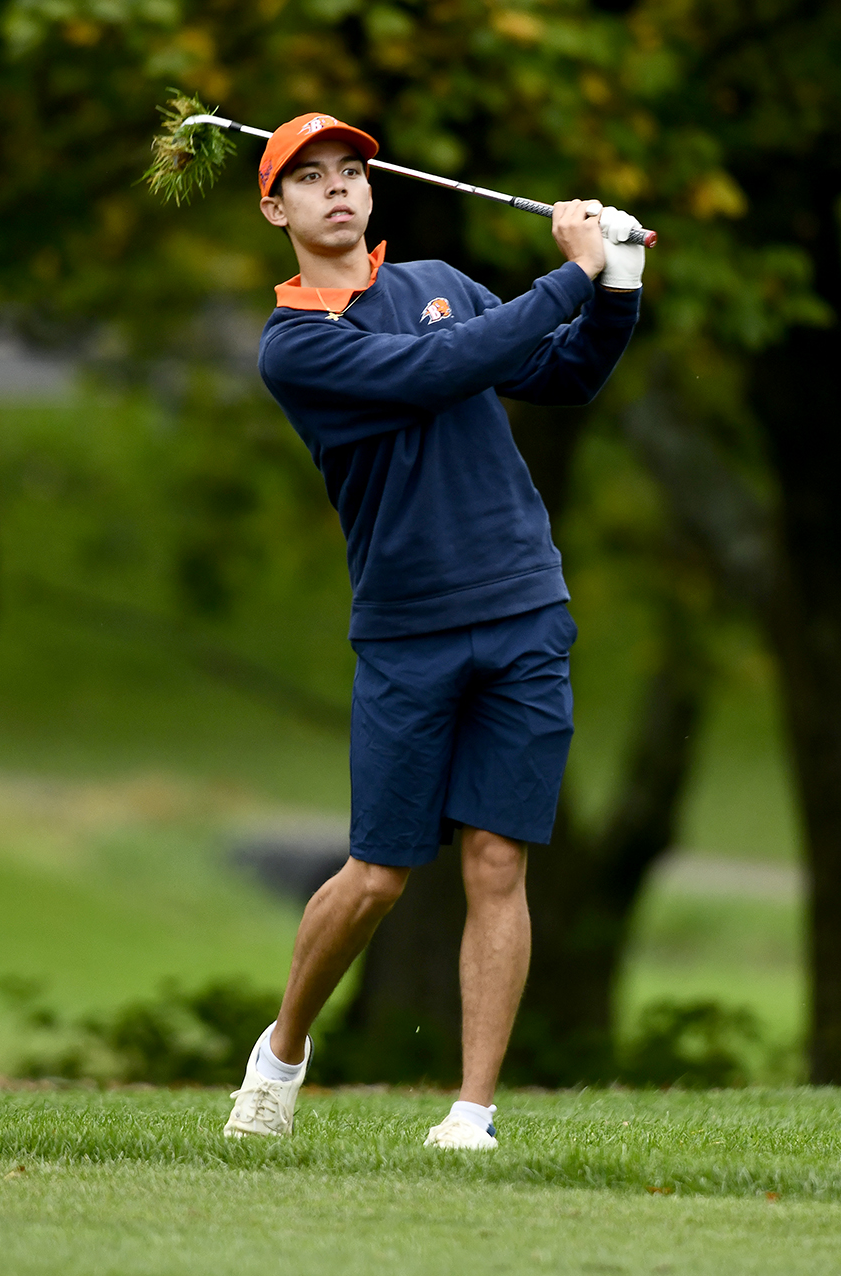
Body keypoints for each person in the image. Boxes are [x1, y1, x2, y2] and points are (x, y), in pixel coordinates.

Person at [222, 112, 645, 1150]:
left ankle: (470, 1115)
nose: (337, 190)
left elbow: (559, 372)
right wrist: (572, 272)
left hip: (521, 606)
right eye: (309, 178)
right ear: (274, 207)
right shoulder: (295, 347)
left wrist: (618, 287)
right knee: (377, 874)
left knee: (498, 861)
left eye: (351, 172)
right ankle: (280, 1055)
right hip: (408, 633)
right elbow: (434, 372)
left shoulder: (435, 279)